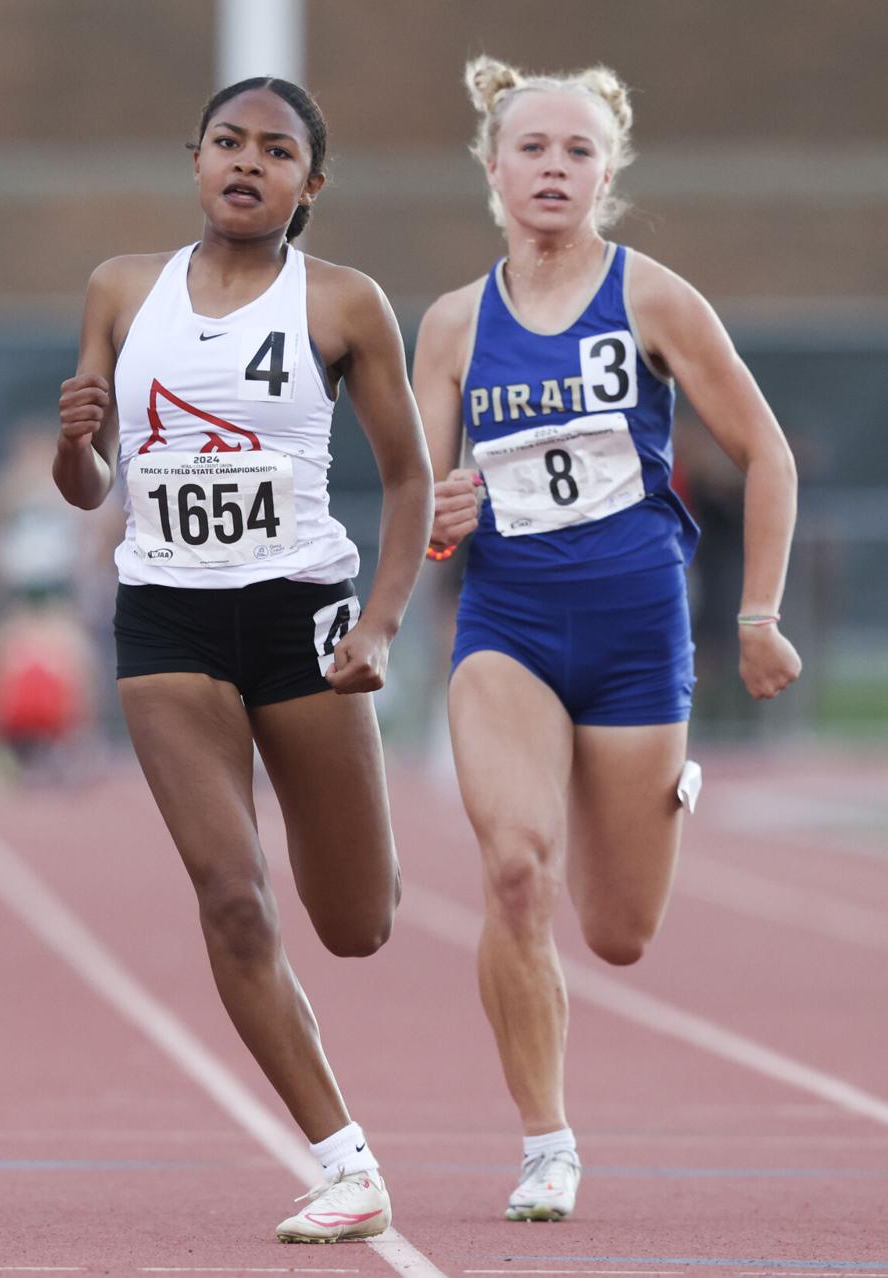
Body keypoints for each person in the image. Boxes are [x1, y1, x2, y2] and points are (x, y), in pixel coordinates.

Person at [412, 56, 801, 1224]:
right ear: (494, 169)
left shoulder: (654, 300)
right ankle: (546, 1142)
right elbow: (422, 508)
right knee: (516, 871)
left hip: (639, 639)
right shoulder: (448, 326)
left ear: (607, 175)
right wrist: (433, 522)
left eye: (579, 152)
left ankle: (652, 785)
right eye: (534, 148)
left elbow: (768, 456)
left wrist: (760, 615)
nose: (555, 169)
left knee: (620, 935)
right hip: (509, 631)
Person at [53, 76, 433, 1243]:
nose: (246, 163)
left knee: (356, 922)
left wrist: (377, 625)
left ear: (308, 185)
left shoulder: (345, 303)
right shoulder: (124, 290)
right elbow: (89, 489)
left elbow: (410, 479)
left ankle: (354, 863)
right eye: (228, 143)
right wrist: (78, 444)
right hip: (166, 618)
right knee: (230, 899)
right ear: (198, 158)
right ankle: (344, 1160)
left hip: (300, 617)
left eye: (275, 151)